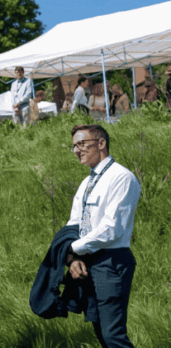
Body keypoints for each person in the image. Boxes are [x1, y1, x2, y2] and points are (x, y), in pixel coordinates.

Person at [65, 124, 141, 347]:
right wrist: (74, 257)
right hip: (87, 260)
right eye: (74, 146)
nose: (77, 150)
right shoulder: (86, 183)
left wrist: (74, 249)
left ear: (101, 143)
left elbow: (111, 229)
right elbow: (74, 224)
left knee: (112, 335)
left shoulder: (121, 178)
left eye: (82, 144)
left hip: (112, 261)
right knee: (100, 331)